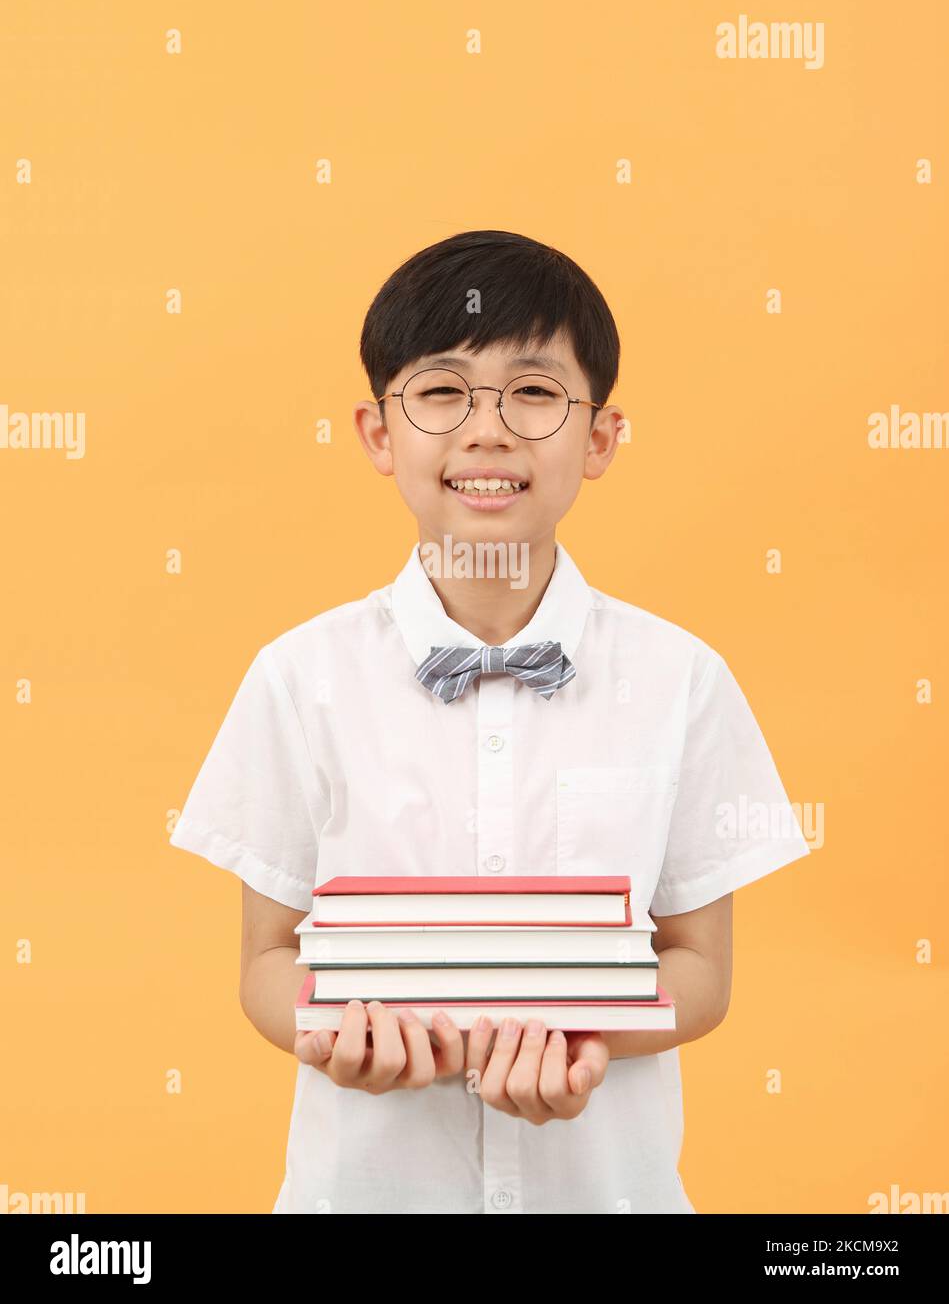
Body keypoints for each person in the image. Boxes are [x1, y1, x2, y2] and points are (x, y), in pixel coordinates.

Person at [170, 229, 811, 1213]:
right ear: (377, 433)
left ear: (598, 438)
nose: (487, 431)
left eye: (533, 392)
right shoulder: (299, 678)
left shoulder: (681, 679)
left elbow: (700, 967)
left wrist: (581, 1039)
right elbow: (267, 957)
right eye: (440, 391)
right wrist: (330, 1030)